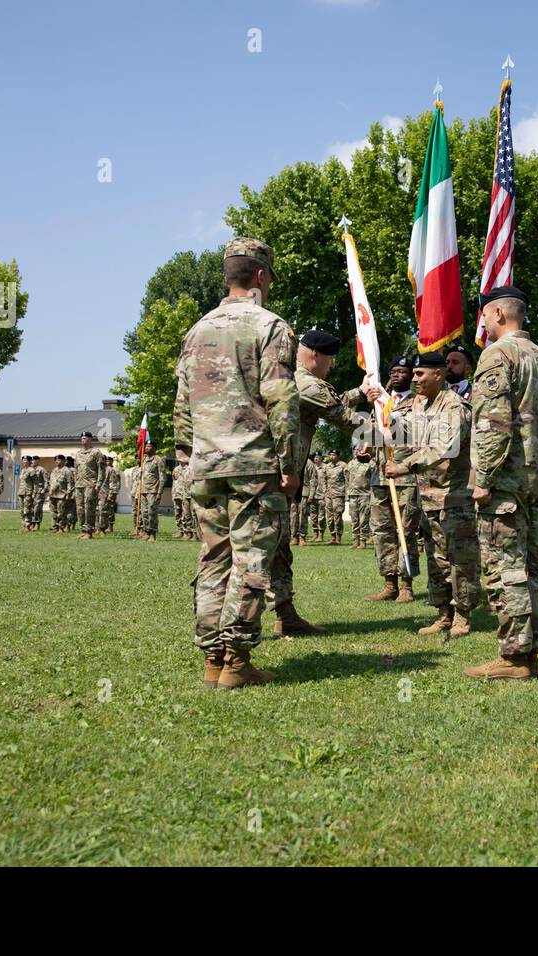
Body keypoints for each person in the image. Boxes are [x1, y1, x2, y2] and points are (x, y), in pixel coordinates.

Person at [173, 237, 300, 689]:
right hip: (253, 465)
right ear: (262, 276)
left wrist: (186, 458)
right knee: (250, 562)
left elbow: (182, 403)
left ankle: (213, 659)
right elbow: (282, 400)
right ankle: (237, 661)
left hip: (206, 465)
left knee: (213, 560)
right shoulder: (270, 326)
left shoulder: (197, 330)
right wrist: (288, 463)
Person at [464, 286, 538, 680]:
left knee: (506, 567)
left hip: (506, 478)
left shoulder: (498, 354)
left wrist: (483, 477)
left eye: (485, 316)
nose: (483, 324)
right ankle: (532, 649)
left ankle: (514, 656)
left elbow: (493, 422)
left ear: (500, 314)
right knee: (535, 565)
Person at [268, 328, 378, 638]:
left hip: (274, 477)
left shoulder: (291, 377)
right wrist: (397, 432)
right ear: (315, 355)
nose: (331, 366)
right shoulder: (305, 384)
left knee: (278, 548)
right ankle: (243, 626)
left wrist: (359, 393)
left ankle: (285, 615)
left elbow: (328, 402)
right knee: (266, 549)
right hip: (275, 480)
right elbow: (345, 418)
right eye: (330, 360)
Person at [382, 351, 481, 640]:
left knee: (459, 557)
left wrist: (404, 466)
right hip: (426, 495)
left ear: (438, 374)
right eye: (413, 374)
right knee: (436, 558)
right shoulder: (417, 406)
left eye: (419, 374)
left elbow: (444, 447)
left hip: (453, 495)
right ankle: (443, 613)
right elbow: (399, 434)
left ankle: (463, 614)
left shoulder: (454, 407)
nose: (414, 379)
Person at [366, 355, 422, 603]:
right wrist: (365, 448)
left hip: (405, 475)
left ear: (411, 375)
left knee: (405, 529)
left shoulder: (419, 402)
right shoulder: (379, 403)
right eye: (393, 371)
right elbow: (370, 432)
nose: (397, 374)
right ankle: (389, 583)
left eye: (402, 371)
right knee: (382, 530)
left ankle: (407, 585)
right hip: (380, 475)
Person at [74, 431, 107, 541]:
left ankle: (89, 531)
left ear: (90, 439)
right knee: (80, 509)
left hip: (91, 484)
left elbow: (101, 470)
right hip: (79, 484)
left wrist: (98, 484)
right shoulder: (78, 453)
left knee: (89, 508)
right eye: (82, 438)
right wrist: (75, 482)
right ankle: (83, 530)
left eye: (85, 438)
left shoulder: (96, 452)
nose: (83, 440)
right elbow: (76, 469)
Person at [346, 447, 374, 549]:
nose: (357, 451)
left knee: (364, 519)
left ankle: (363, 541)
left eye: (359, 450)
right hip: (353, 494)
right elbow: (347, 479)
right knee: (354, 518)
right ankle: (355, 540)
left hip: (365, 494)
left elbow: (373, 478)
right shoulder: (350, 464)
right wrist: (347, 494)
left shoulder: (369, 464)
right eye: (355, 450)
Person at [136, 442, 163, 541]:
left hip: (153, 490)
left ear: (154, 448)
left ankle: (153, 533)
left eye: (149, 446)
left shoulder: (158, 460)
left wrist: (159, 492)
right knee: (144, 512)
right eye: (146, 446)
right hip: (143, 490)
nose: (146, 448)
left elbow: (162, 477)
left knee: (152, 511)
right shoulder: (143, 459)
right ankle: (146, 531)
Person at [322, 449, 347, 545]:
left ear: (338, 456)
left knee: (337, 515)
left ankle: (338, 537)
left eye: (334, 455)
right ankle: (332, 536)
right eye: (330, 455)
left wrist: (346, 494)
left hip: (339, 495)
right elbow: (324, 480)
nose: (332, 457)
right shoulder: (327, 467)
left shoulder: (343, 466)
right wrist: (325, 492)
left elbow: (347, 480)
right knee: (329, 517)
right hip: (328, 495)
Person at [98, 456, 120, 534]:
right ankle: (97, 528)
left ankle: (103, 529)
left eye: (101, 459)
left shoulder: (109, 470)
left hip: (105, 493)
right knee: (96, 512)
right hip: (95, 494)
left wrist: (111, 494)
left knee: (103, 511)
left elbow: (113, 482)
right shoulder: (95, 469)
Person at [172, 461, 193, 540]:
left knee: (186, 514)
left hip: (185, 494)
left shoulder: (189, 468)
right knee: (177, 513)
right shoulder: (176, 469)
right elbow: (174, 481)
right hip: (176, 493)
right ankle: (180, 530)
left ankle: (188, 532)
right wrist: (173, 493)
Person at [308, 453, 326, 542]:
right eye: (315, 457)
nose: (316, 459)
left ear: (321, 458)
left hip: (321, 495)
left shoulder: (325, 468)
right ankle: (315, 534)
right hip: (312, 495)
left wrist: (326, 494)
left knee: (321, 516)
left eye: (318, 457)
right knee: (313, 516)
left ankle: (321, 535)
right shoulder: (311, 467)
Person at [17, 454, 35, 532]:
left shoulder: (32, 470)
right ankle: (23, 525)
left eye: (26, 461)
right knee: (21, 510)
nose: (24, 462)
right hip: (21, 491)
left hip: (28, 492)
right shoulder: (23, 470)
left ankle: (28, 526)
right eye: (23, 460)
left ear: (29, 461)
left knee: (27, 509)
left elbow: (35, 482)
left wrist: (34, 493)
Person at [63, 456, 78, 531]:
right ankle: (65, 525)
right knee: (64, 510)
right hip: (63, 493)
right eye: (65, 460)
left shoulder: (73, 470)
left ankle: (71, 526)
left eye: (67, 460)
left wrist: (73, 494)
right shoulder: (63, 470)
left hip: (72, 493)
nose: (65, 462)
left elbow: (76, 483)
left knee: (72, 510)